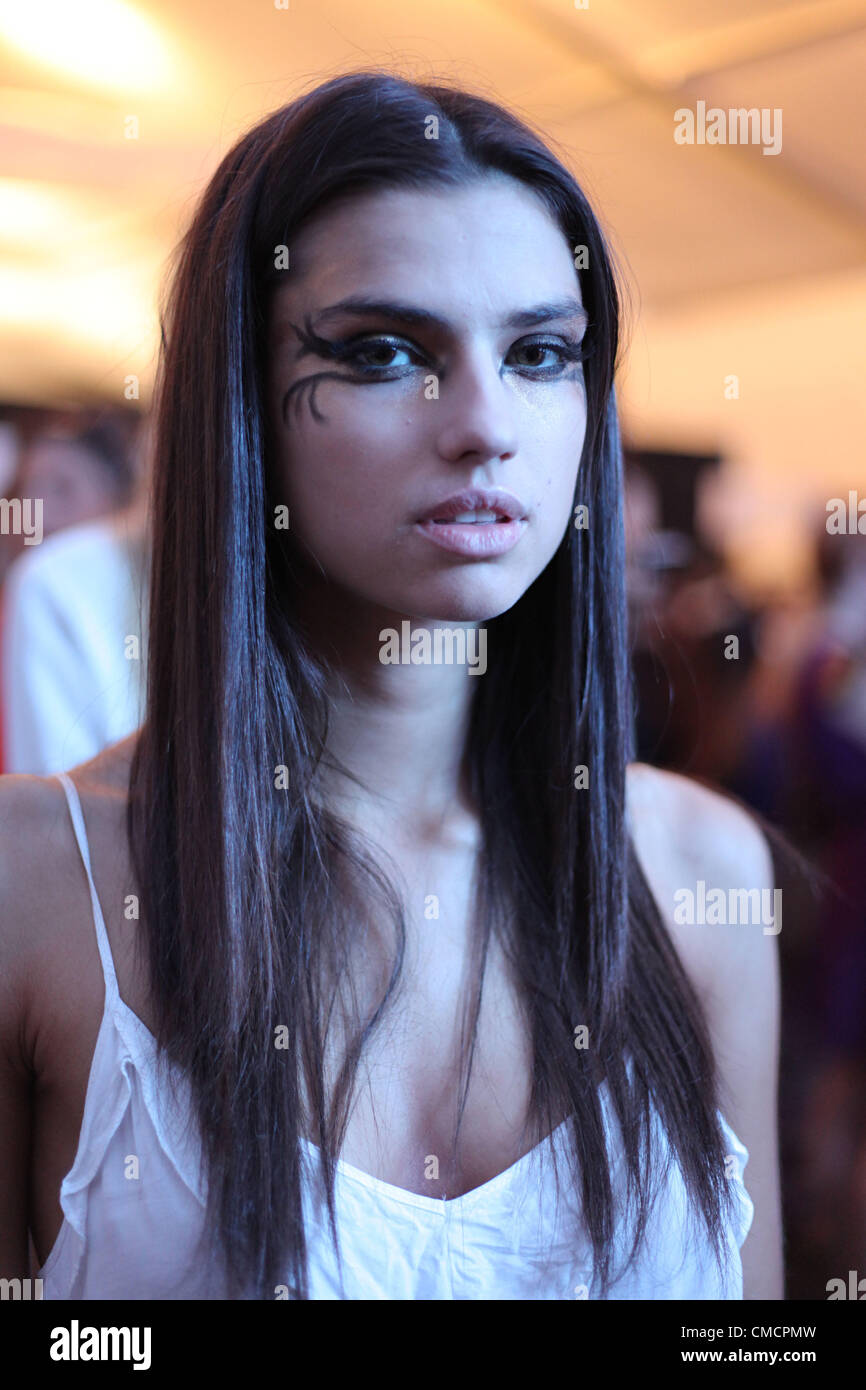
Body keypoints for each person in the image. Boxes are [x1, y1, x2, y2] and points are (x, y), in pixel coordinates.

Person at [0, 70, 782, 1301]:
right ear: (243, 397)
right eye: (381, 351)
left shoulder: (697, 869)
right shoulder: (41, 877)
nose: (482, 421)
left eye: (539, 351)